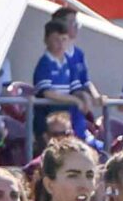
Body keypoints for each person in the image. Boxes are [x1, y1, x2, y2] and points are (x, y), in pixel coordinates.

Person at [29, 10, 99, 142]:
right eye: (56, 40)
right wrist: (75, 101)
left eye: (64, 40)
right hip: (48, 119)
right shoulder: (45, 62)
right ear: (46, 40)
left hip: (65, 118)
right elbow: (48, 93)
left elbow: (77, 87)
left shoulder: (68, 61)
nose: (60, 44)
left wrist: (86, 98)